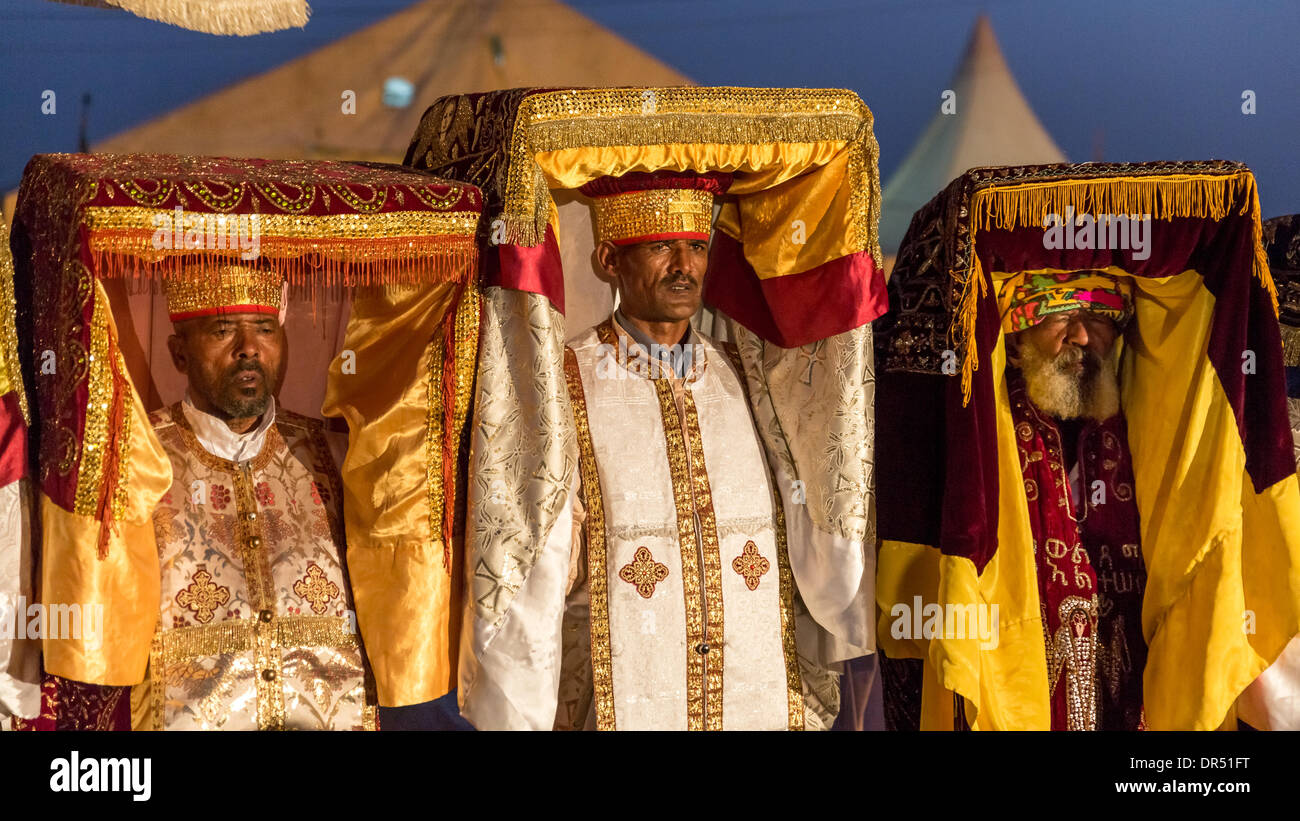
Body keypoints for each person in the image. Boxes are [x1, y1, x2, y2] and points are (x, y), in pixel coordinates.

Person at [556, 171, 824, 730]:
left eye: (696, 248)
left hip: (752, 687)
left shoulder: (747, 373)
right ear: (610, 260)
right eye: (661, 247)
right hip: (620, 682)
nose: (685, 266)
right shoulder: (569, 377)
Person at [131, 264, 374, 730]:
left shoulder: (338, 455)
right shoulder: (139, 458)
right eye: (223, 330)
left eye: (265, 329)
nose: (249, 349)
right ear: (178, 353)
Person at [997, 271, 1146, 730]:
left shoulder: (1141, 422)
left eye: (1099, 317)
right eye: (1060, 315)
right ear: (1019, 329)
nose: (1082, 336)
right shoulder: (991, 433)